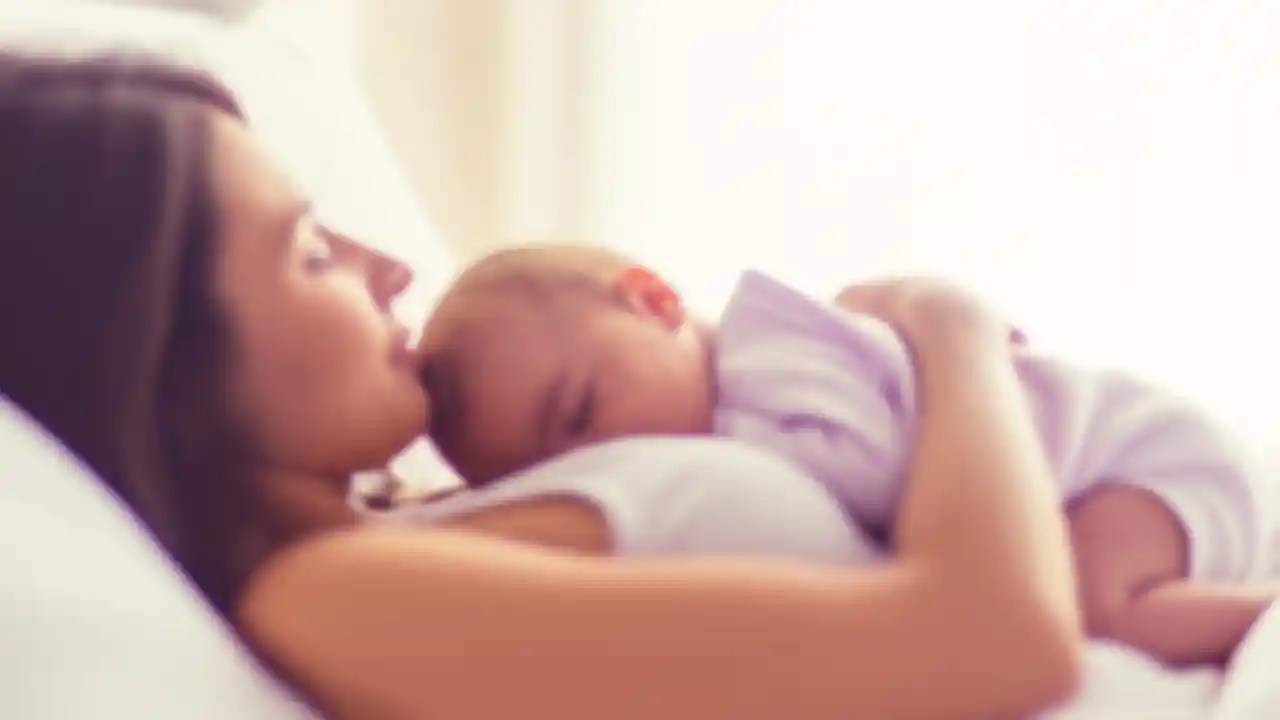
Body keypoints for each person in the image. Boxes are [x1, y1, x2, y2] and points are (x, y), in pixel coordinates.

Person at [0, 52, 1083, 719]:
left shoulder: (423, 534)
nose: (391, 267)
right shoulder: (334, 600)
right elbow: (998, 645)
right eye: (308, 255)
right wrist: (954, 335)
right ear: (170, 366)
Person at [418, 244, 1275, 667]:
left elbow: (871, 478)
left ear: (654, 299)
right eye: (556, 466)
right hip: (1098, 483)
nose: (607, 456)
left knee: (1100, 610)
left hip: (1132, 457)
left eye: (582, 408)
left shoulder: (771, 361)